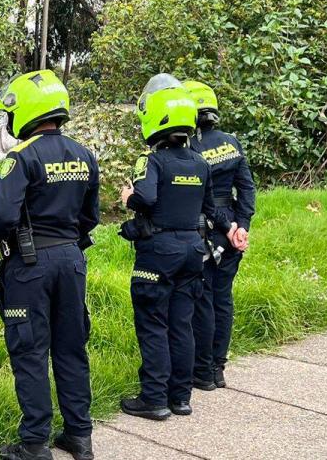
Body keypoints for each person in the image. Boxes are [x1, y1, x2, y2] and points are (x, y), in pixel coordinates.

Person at [0, 70, 99, 460]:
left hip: (30, 265)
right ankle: (79, 437)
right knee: (71, 348)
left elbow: (0, 217)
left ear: (28, 112)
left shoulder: (20, 158)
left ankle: (34, 444)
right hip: (72, 260)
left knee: (30, 352)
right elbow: (90, 216)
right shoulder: (85, 155)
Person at [117, 74, 239, 420]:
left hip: (159, 252)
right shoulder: (200, 162)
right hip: (193, 251)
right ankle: (181, 398)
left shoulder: (151, 161)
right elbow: (209, 209)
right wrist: (231, 227)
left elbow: (148, 197)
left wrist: (129, 198)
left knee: (154, 322)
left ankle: (154, 399)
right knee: (182, 323)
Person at [183, 80, 254, 390]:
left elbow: (202, 198)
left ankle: (203, 371)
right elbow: (247, 188)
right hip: (233, 229)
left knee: (205, 299)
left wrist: (226, 226)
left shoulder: (191, 150)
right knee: (224, 300)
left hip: (208, 229)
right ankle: (218, 368)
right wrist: (241, 227)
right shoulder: (232, 142)